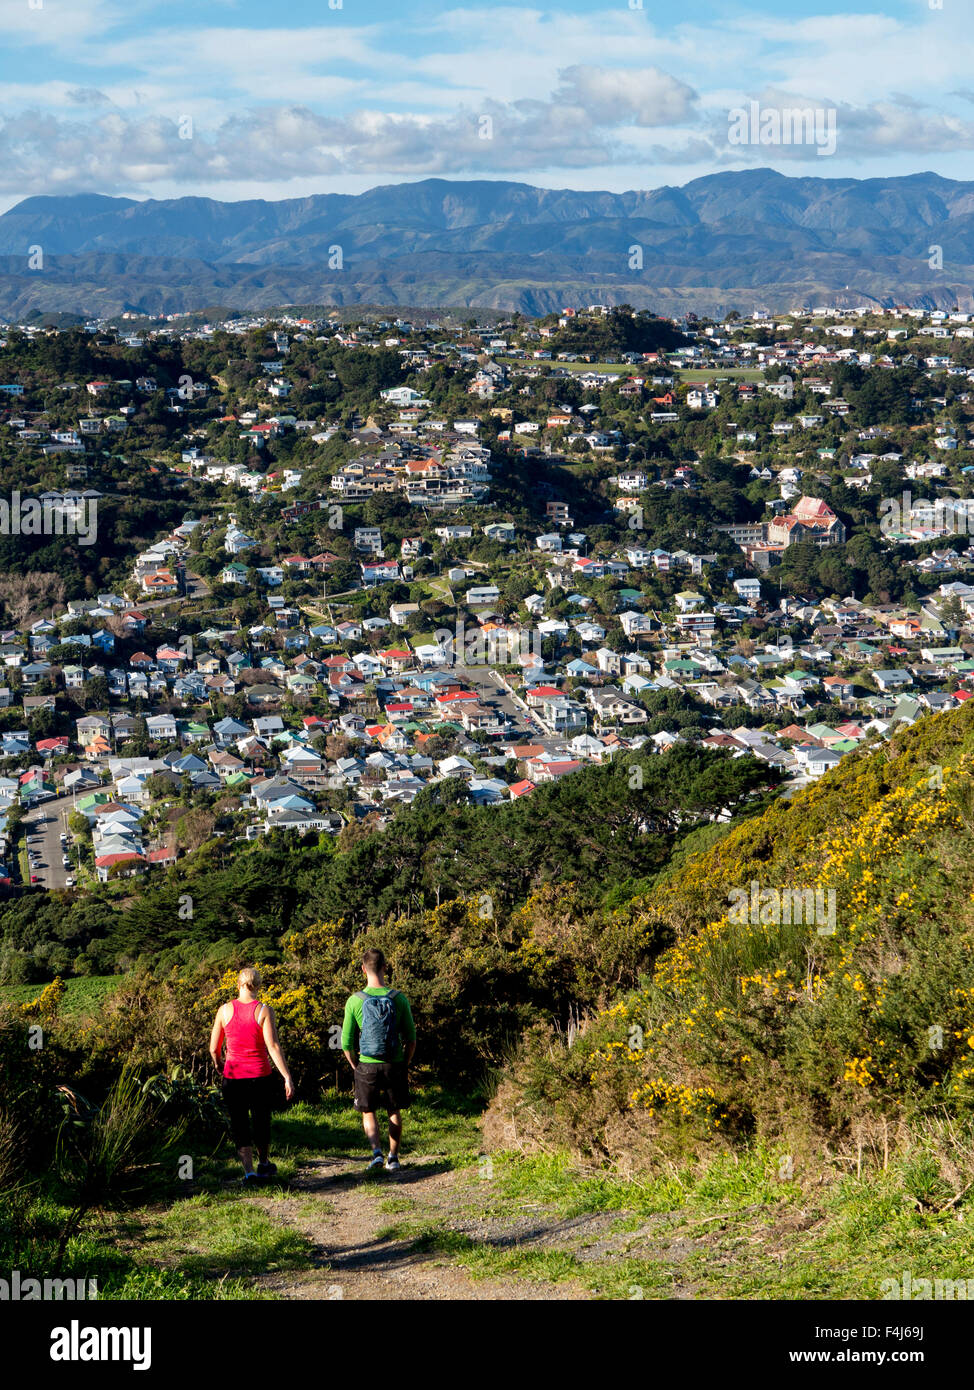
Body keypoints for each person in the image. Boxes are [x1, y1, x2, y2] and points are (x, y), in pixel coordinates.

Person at [209, 967, 294, 1185]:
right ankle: (264, 1163)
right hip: (260, 1076)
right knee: (261, 1121)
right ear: (258, 986)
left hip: (233, 1077)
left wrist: (219, 1063)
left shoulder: (224, 1010)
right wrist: (286, 1076)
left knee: (239, 1124)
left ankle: (248, 1172)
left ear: (238, 984)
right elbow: (273, 1046)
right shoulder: (264, 1010)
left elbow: (213, 1048)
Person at [342, 947, 416, 1171]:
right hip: (394, 1063)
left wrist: (355, 1064)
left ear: (363, 970)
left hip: (367, 1064)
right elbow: (411, 1038)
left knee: (369, 1110)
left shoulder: (355, 1001)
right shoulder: (398, 998)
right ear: (385, 967)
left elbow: (346, 1042)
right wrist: (405, 1062)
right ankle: (393, 1158)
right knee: (394, 1110)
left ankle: (376, 1154)